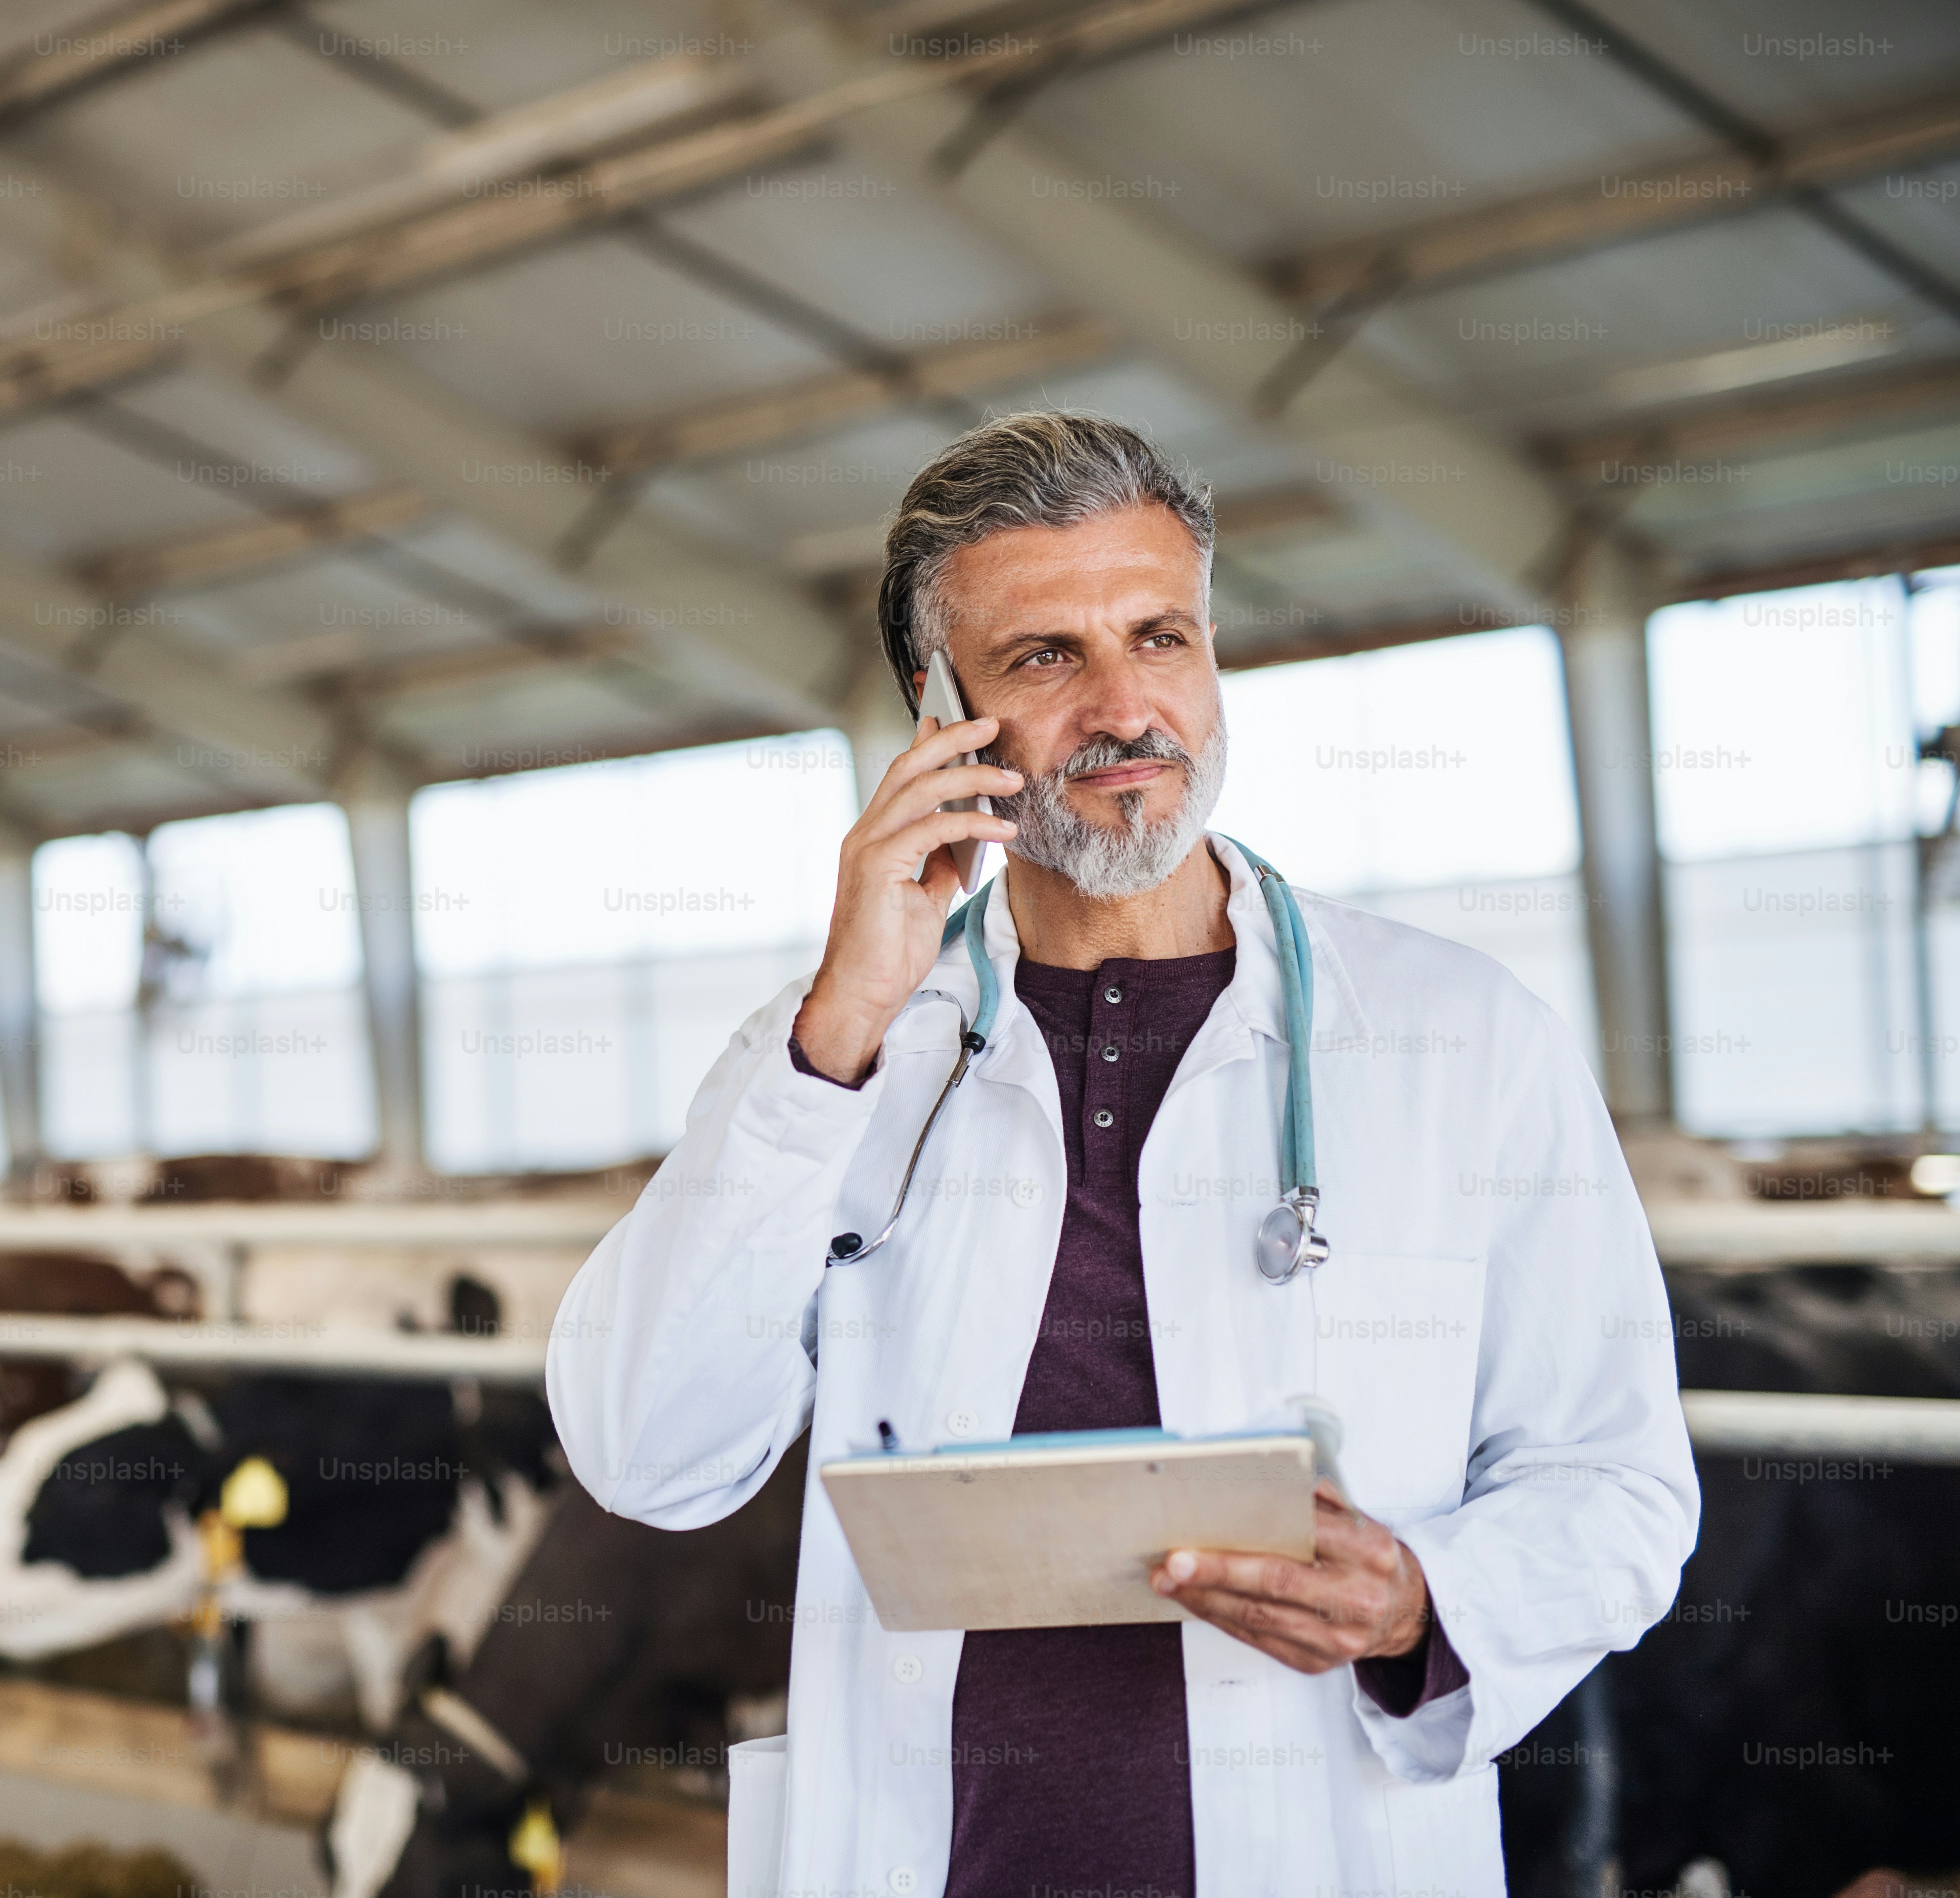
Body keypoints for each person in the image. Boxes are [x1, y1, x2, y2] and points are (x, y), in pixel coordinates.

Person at [545, 412, 1698, 1894]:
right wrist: (841, 1024)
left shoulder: (1462, 1041)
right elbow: (649, 1453)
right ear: (936, 705)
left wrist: (1426, 1601)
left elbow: (1616, 1483)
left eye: (1161, 636)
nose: (1124, 708)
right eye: (1044, 658)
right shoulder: (832, 1049)